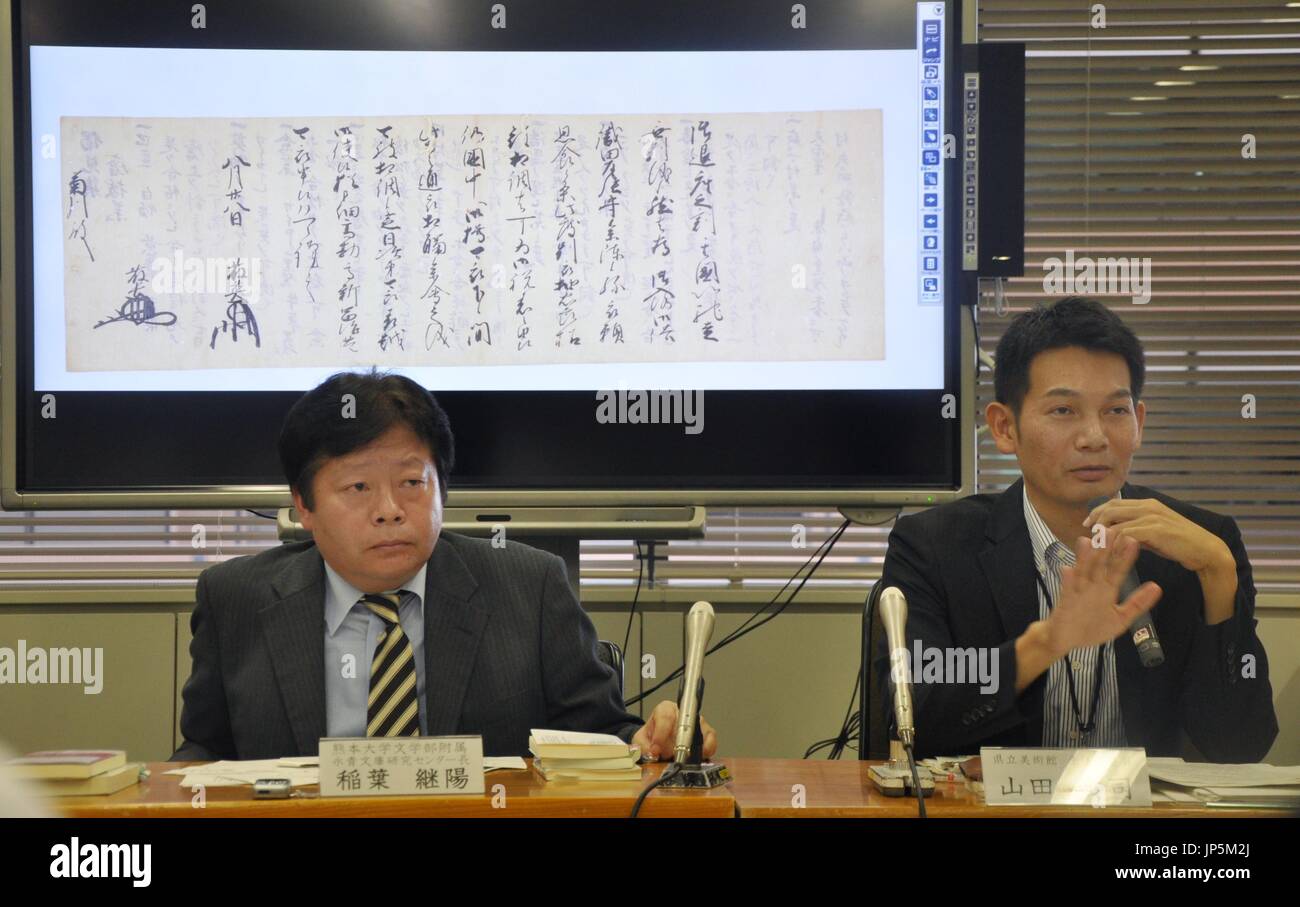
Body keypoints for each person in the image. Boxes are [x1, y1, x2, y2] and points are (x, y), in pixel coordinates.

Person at [173, 369, 716, 761]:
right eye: (358, 487)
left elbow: (602, 738)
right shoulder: (235, 597)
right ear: (303, 505)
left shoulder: (530, 587)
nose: (389, 510)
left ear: (442, 489)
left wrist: (654, 743)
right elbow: (204, 749)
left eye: (412, 483)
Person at [875, 296, 1277, 762]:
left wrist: (1218, 577)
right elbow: (913, 723)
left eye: (1115, 411)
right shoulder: (934, 548)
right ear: (1005, 428)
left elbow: (1241, 747)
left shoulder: (1203, 548)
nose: (1095, 437)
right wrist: (1046, 642)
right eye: (1063, 411)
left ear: (1139, 422)